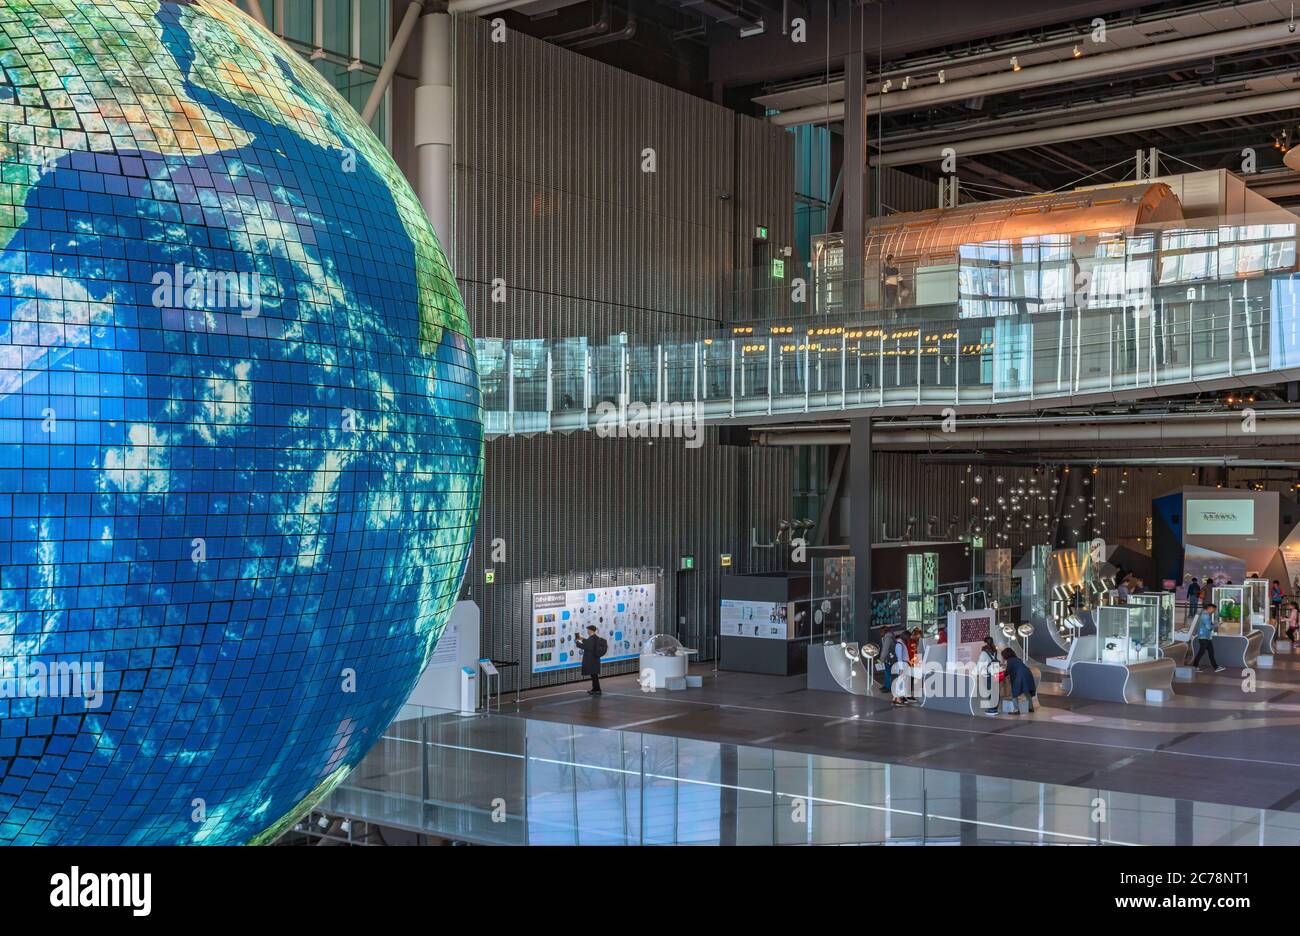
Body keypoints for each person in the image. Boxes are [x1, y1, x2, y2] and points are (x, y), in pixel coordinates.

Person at [1191, 602, 1226, 673]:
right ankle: (1195, 667)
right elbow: (1208, 627)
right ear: (1210, 608)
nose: (1214, 611)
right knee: (1202, 652)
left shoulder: (1205, 614)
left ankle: (1215, 667)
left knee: (1210, 652)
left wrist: (1215, 624)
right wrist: (1217, 625)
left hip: (1206, 637)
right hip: (1203, 637)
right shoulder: (1205, 615)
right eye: (1214, 610)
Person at [1001, 646, 1037, 714]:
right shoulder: (1017, 659)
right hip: (1027, 673)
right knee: (1026, 691)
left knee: (1014, 693)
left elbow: (1007, 671)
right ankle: (1031, 707)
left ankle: (1016, 710)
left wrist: (999, 676)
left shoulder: (1010, 660)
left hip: (1020, 676)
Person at [574, 625, 607, 694]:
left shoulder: (591, 639)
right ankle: (596, 689)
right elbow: (588, 644)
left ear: (590, 630)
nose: (587, 631)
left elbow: (584, 646)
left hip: (591, 660)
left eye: (588, 630)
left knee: (594, 676)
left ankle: (597, 690)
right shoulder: (595, 638)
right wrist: (582, 639)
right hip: (595, 659)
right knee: (594, 675)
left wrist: (577, 642)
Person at [976, 637, 1002, 716]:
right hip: (996, 673)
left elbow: (980, 665)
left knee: (990, 691)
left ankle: (992, 709)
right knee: (996, 691)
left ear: (985, 643)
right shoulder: (996, 651)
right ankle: (995, 708)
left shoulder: (984, 653)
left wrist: (976, 672)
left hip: (988, 675)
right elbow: (1000, 661)